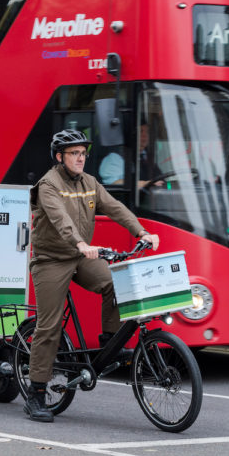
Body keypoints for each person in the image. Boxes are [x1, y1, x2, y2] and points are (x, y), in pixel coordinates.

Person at [24, 129, 160, 423]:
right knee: (49, 326)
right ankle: (36, 392)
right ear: (59, 157)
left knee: (115, 283)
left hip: (80, 257)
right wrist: (81, 244)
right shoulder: (48, 185)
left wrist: (141, 231)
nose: (80, 158)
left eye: (83, 153)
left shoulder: (90, 183)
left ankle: (109, 342)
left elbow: (115, 207)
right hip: (51, 260)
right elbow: (60, 219)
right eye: (74, 153)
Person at [98, 123, 163, 188]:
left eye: (147, 132)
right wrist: (145, 183)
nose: (145, 135)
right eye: (140, 131)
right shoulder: (114, 158)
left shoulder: (148, 157)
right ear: (131, 135)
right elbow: (114, 183)